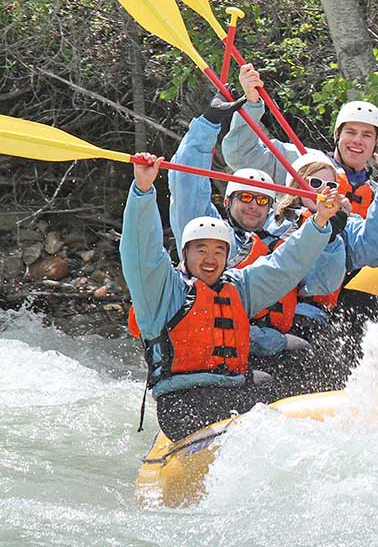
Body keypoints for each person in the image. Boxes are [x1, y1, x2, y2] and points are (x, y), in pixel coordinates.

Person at [120, 153, 343, 441]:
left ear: (228, 256)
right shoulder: (163, 292)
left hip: (231, 387)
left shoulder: (237, 287)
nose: (210, 259)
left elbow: (285, 265)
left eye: (218, 251)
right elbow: (141, 249)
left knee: (282, 384)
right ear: (185, 253)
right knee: (274, 412)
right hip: (183, 402)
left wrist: (320, 221)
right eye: (201, 249)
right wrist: (143, 190)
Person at [220, 63, 378, 331]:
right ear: (337, 135)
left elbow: (374, 250)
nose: (357, 141)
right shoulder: (302, 162)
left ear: (375, 143)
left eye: (366, 135)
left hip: (326, 289)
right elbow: (240, 154)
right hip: (283, 284)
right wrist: (251, 102)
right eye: (351, 132)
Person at [163, 95, 349, 359]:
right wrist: (207, 124)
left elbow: (321, 285)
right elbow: (187, 184)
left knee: (308, 349)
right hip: (224, 335)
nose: (253, 206)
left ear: (271, 205)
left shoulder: (291, 234)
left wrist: (331, 239)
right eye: (245, 198)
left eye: (261, 200)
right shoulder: (211, 234)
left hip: (274, 337)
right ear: (228, 201)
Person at [261, 152, 378, 394]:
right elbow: (311, 282)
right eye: (315, 183)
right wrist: (326, 231)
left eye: (331, 185)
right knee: (316, 347)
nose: (325, 190)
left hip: (323, 310)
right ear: (295, 187)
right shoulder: (277, 223)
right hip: (288, 314)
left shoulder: (343, 221)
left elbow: (376, 245)